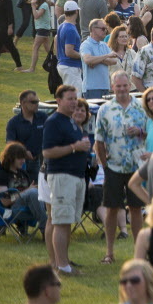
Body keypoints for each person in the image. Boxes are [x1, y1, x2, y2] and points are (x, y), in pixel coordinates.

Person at [95, 71, 147, 264]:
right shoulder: (105, 109)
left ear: (129, 86)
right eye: (118, 86)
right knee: (111, 209)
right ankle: (109, 253)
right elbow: (99, 141)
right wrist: (104, 165)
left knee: (136, 209)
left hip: (136, 166)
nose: (122, 89)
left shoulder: (141, 107)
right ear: (112, 87)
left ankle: (139, 252)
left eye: (125, 85)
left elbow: (152, 133)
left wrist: (140, 132)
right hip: (114, 167)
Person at [41, 84, 89, 276]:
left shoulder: (70, 121)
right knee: (60, 222)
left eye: (75, 98)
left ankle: (64, 263)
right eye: (70, 99)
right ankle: (61, 267)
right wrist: (74, 147)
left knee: (66, 221)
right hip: (62, 177)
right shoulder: (54, 121)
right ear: (58, 100)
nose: (74, 102)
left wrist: (82, 147)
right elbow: (47, 152)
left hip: (75, 177)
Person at [55, 1, 85, 90]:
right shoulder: (70, 29)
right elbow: (69, 52)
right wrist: (83, 56)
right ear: (76, 11)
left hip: (64, 65)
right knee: (75, 94)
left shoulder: (62, 26)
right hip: (70, 66)